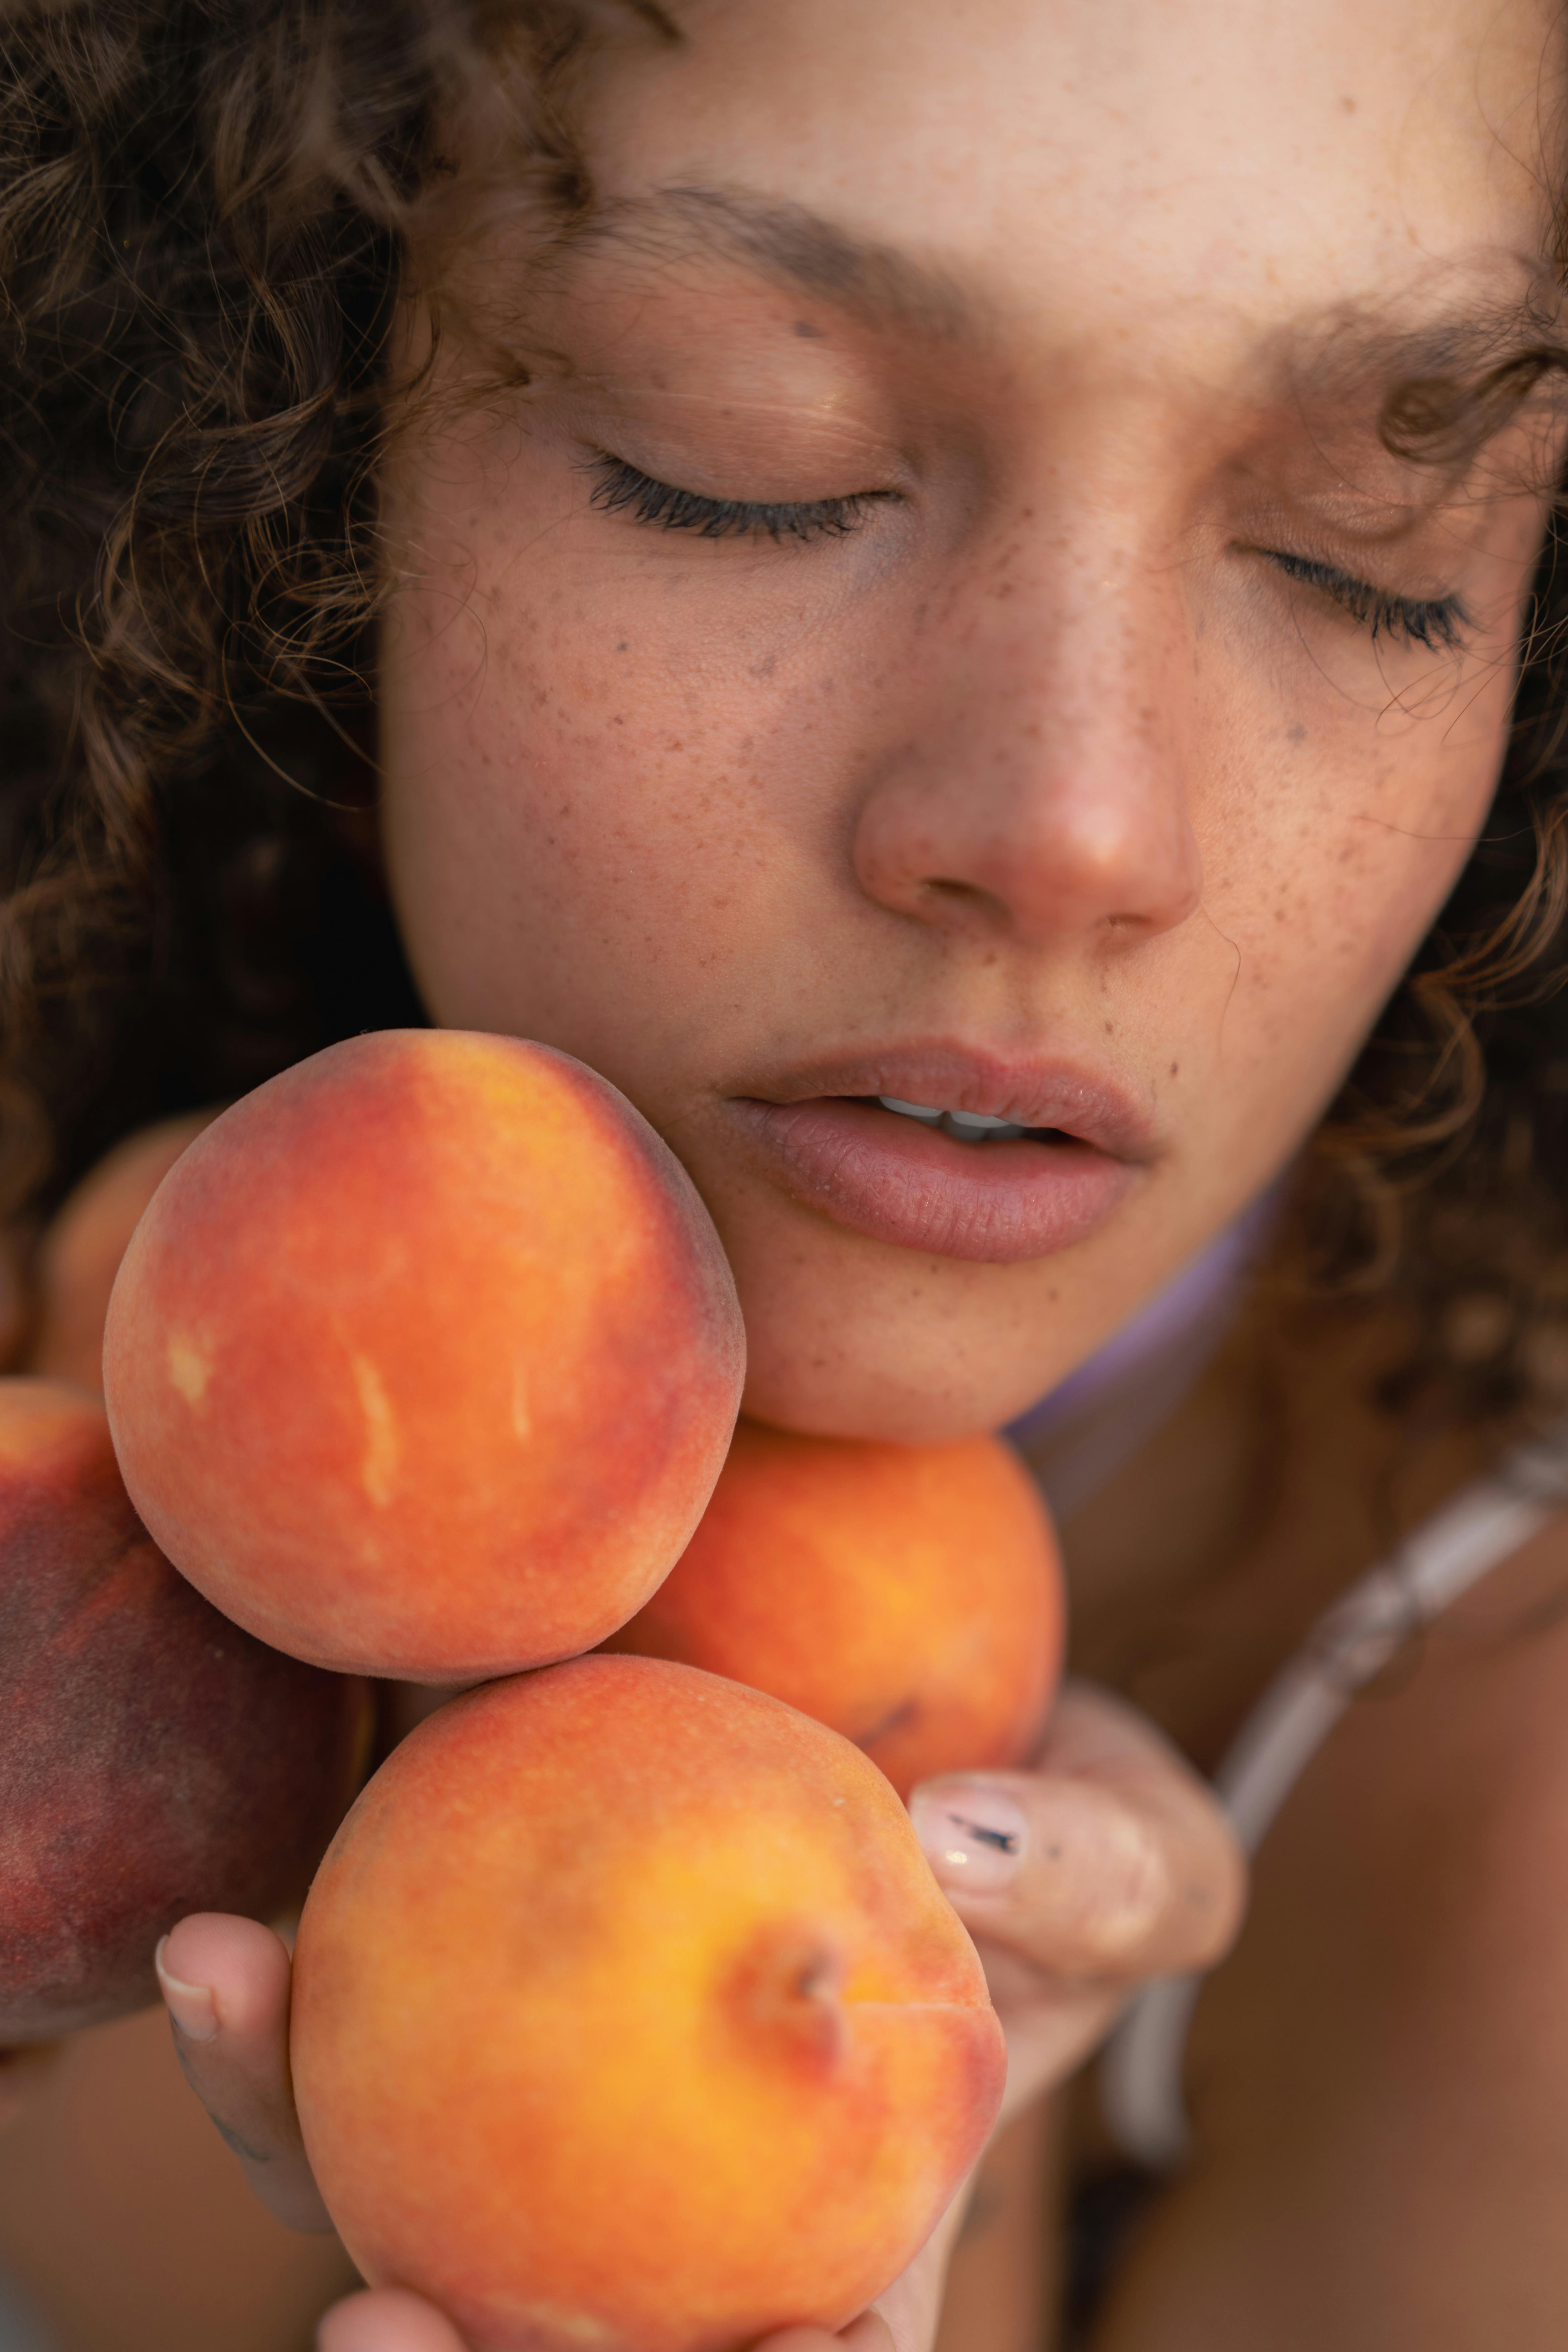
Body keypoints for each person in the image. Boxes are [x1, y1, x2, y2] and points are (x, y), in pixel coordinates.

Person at [4, 0, 1568, 2345]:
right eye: (756, 453)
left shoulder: (1518, 1895)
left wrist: (918, 2188)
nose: (1071, 831)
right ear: (307, 456)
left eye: (1372, 547)